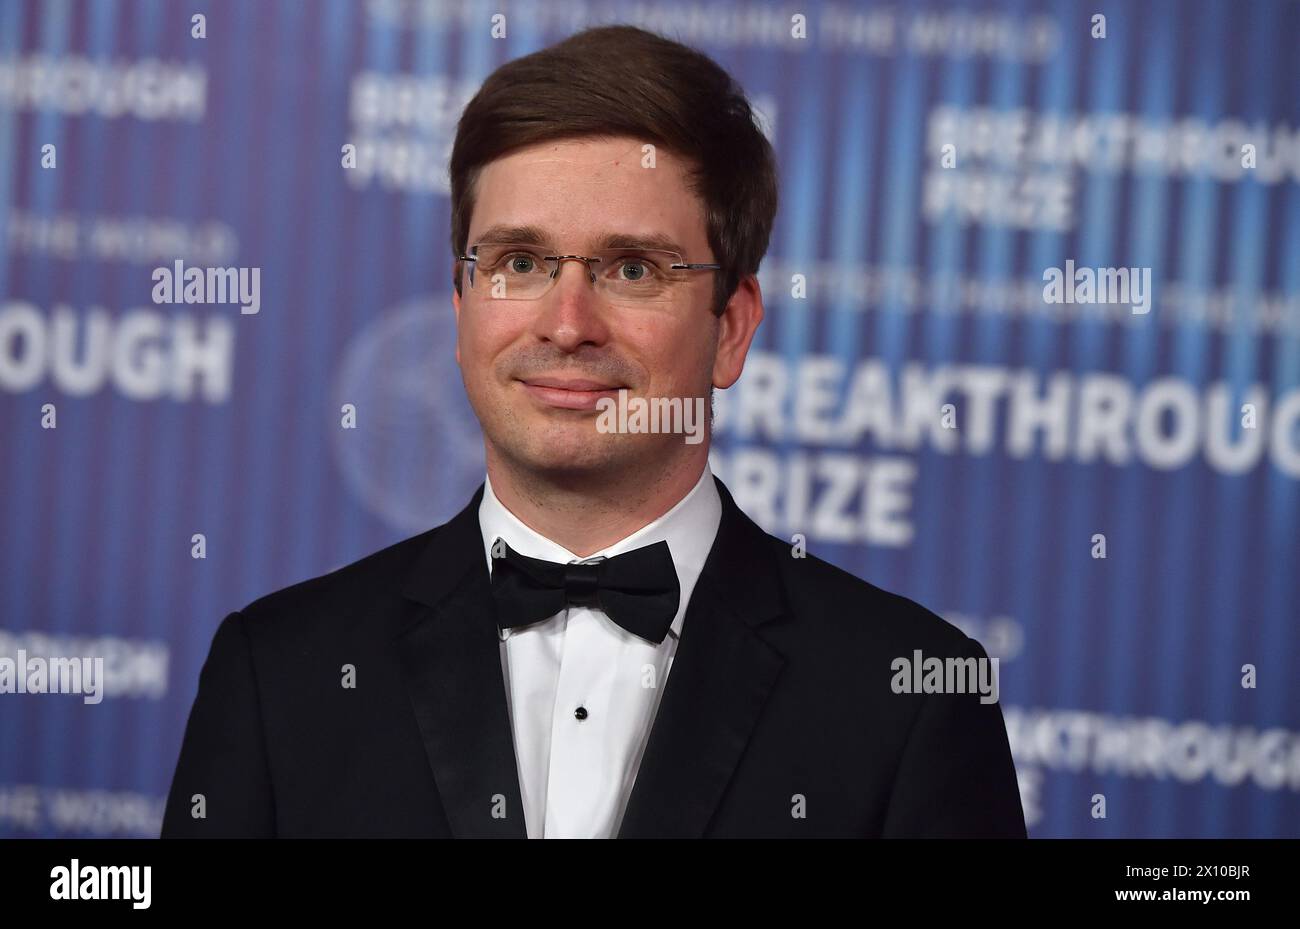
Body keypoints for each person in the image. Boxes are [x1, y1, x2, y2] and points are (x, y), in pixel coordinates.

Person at [161, 24, 1025, 839]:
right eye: (521, 263)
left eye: (633, 268)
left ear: (731, 326)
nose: (567, 323)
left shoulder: (912, 697)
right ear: (462, 309)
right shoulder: (277, 674)